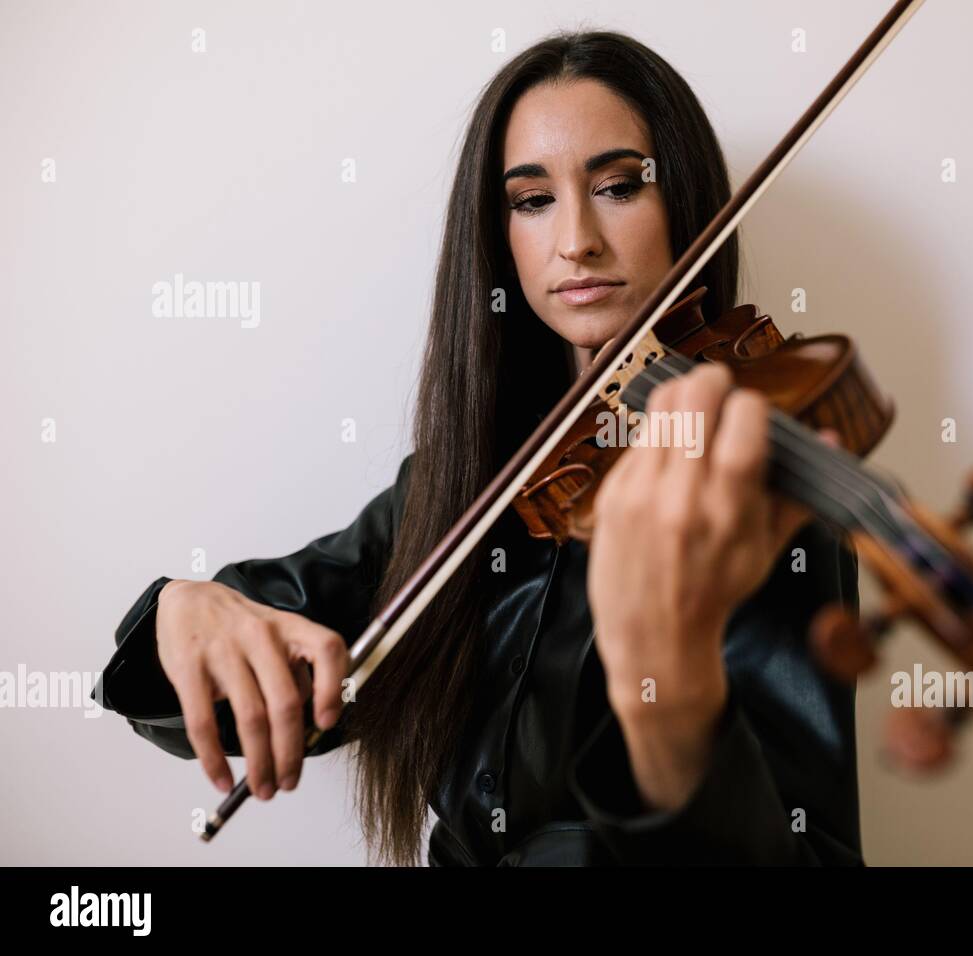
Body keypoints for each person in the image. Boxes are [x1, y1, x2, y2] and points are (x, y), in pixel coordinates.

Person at [96, 29, 864, 867]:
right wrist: (184, 609)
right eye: (532, 201)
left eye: (616, 186)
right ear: (499, 234)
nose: (576, 240)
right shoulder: (466, 482)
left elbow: (811, 854)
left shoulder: (753, 486)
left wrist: (675, 715)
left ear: (687, 202)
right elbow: (245, 652)